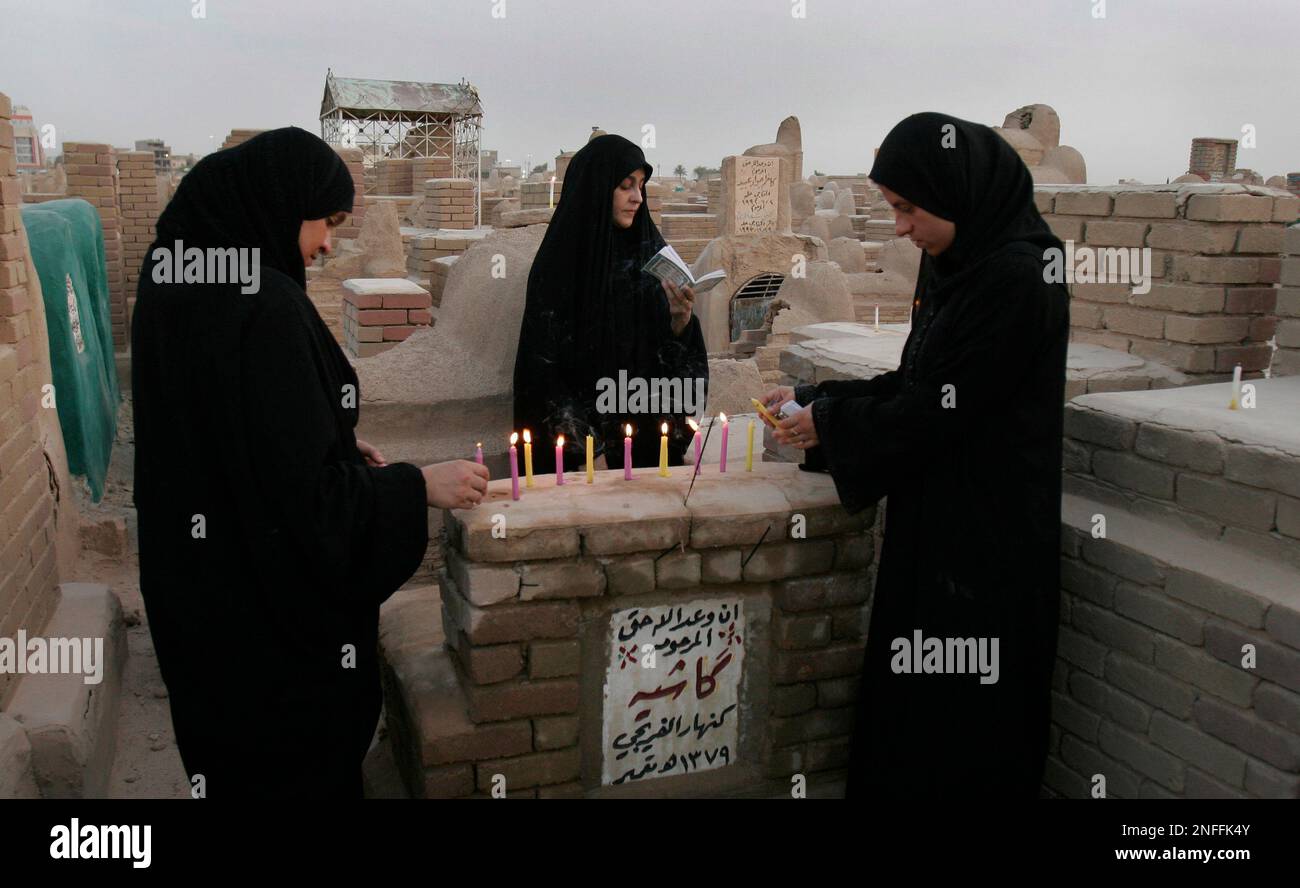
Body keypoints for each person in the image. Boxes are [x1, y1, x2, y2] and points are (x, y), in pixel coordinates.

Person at [131, 127, 489, 798]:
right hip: (271, 650)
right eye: (324, 222)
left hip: (201, 614)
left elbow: (224, 435)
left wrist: (320, 434)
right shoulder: (262, 308)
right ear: (275, 202)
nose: (328, 245)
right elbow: (311, 513)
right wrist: (416, 489)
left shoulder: (172, 278)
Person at [763, 112, 1069, 798]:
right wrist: (819, 398)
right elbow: (919, 380)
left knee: (967, 733)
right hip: (935, 526)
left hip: (988, 543)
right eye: (892, 209)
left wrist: (830, 424)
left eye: (909, 208)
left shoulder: (1021, 278)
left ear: (956, 190)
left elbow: (940, 410)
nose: (900, 228)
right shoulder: (956, 262)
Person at [512, 134, 708, 474]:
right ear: (597, 189)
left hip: (646, 450)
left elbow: (673, 367)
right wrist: (588, 451)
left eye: (642, 186)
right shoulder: (560, 265)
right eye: (625, 186)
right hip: (585, 459)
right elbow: (543, 372)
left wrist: (680, 323)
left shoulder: (649, 254)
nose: (637, 198)